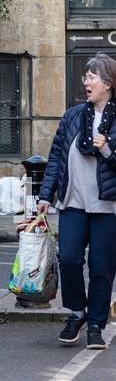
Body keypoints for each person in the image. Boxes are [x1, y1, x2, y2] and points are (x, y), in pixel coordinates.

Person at [38, 53, 116, 350]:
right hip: (73, 203)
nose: (86, 81)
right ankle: (77, 312)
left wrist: (107, 150)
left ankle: (95, 324)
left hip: (107, 206)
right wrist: (46, 196)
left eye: (92, 76)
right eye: (86, 76)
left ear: (107, 83)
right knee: (69, 258)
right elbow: (56, 157)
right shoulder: (72, 116)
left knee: (101, 267)